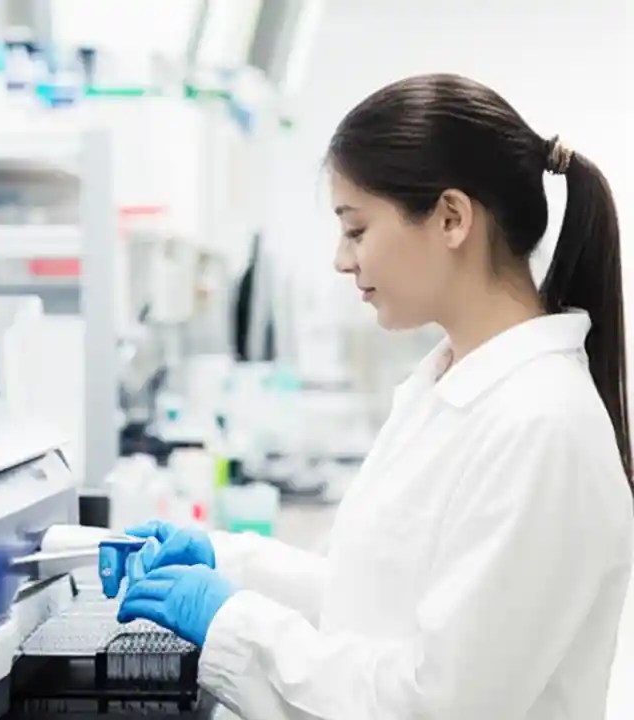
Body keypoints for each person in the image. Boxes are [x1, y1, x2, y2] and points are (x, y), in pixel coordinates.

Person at [108, 73, 633, 719]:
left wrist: (231, 621)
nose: (341, 259)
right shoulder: (448, 390)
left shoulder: (540, 426)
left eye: (356, 229)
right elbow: (374, 603)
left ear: (450, 218)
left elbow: (439, 703)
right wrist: (227, 561)